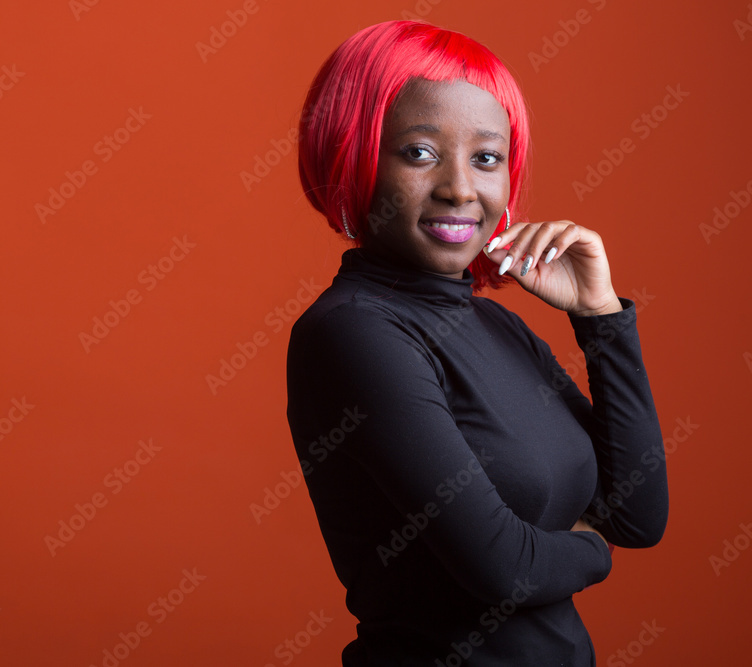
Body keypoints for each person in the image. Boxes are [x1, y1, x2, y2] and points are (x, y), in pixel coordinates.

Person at [285, 19, 668, 666]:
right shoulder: (352, 332)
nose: (461, 188)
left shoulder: (497, 325)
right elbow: (501, 567)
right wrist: (594, 551)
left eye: (486, 157)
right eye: (420, 152)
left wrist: (601, 317)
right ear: (354, 156)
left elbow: (637, 513)